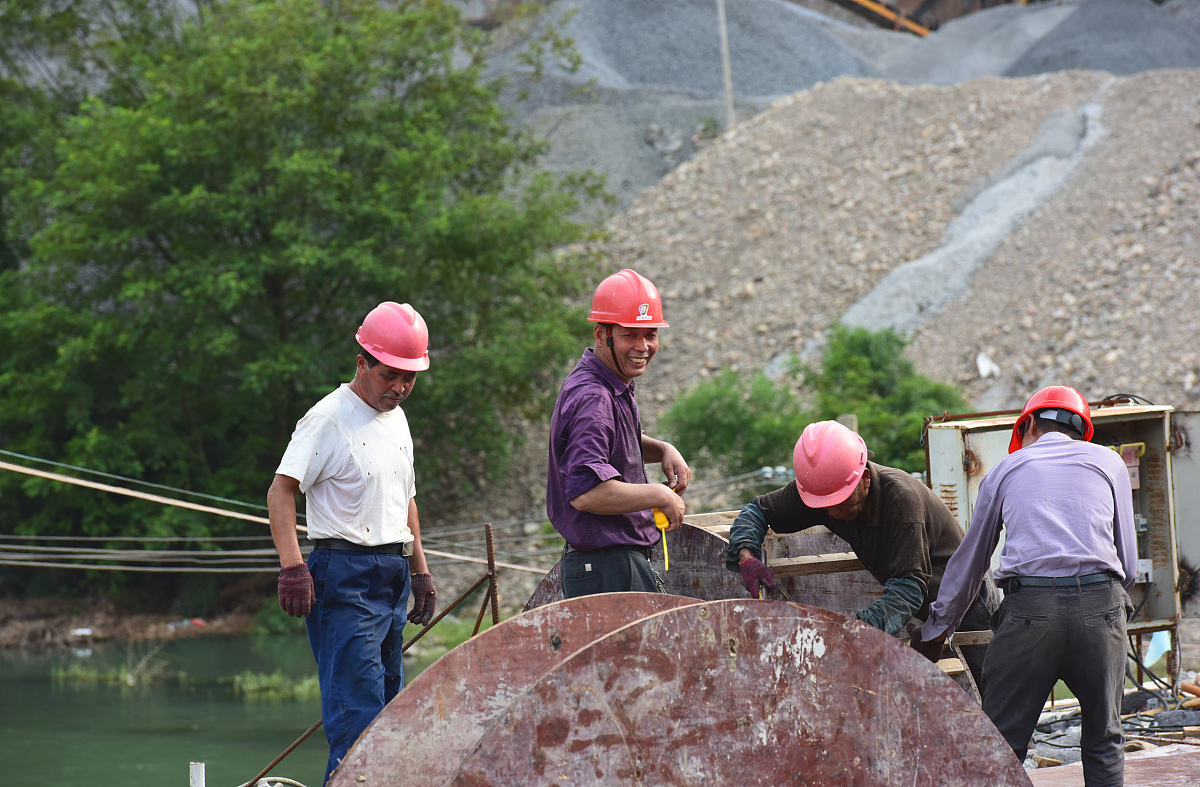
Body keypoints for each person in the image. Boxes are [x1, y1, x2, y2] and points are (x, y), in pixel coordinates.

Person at [915, 385, 1136, 786]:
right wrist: (1108, 605)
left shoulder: (1005, 470)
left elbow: (971, 563)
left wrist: (937, 629)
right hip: (1101, 607)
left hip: (1029, 613)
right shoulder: (1110, 462)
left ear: (1029, 423)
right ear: (1081, 429)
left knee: (1001, 745)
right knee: (1104, 741)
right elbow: (1129, 563)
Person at [267, 302, 439, 785]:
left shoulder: (398, 419)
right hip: (343, 576)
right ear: (362, 361)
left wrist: (420, 571)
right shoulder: (328, 418)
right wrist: (292, 566)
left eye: (409, 378)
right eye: (390, 375)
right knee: (356, 717)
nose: (400, 388)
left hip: (392, 573)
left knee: (389, 714)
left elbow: (406, 498)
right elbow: (280, 491)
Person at [726, 419, 996, 686]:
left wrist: (847, 635)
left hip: (968, 601)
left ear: (865, 479)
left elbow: (908, 589)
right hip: (927, 604)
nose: (832, 513)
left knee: (992, 700)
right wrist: (747, 556)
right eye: (824, 505)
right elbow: (757, 511)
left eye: (839, 503)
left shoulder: (901, 502)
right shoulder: (824, 490)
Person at [547, 269, 691, 598]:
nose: (643, 346)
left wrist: (662, 449)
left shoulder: (608, 384)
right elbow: (586, 493)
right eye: (630, 335)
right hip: (607, 569)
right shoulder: (594, 397)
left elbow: (607, 443)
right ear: (602, 335)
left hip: (612, 566)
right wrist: (661, 495)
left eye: (650, 334)